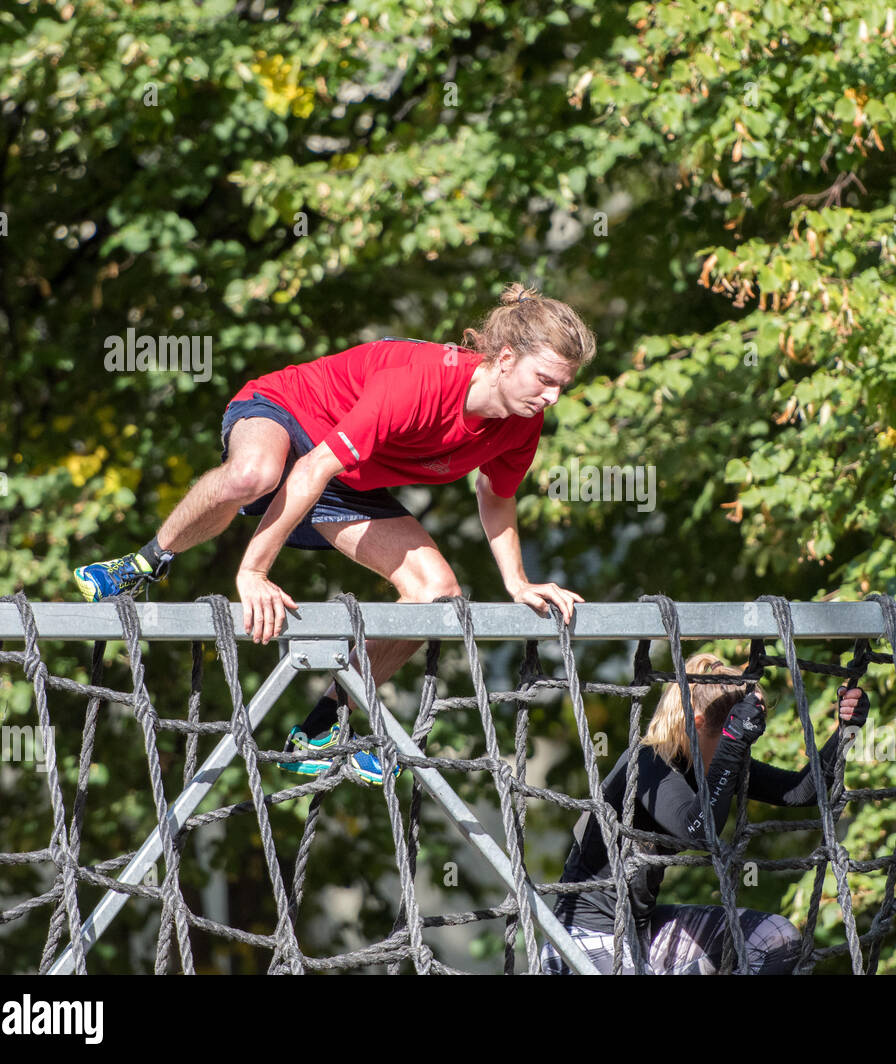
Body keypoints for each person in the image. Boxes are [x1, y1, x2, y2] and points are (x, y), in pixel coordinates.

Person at [73, 283, 596, 783]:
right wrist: (253, 573)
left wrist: (519, 583)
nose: (551, 397)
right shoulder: (419, 384)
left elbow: (495, 494)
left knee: (438, 596)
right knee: (254, 474)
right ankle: (143, 563)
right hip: (290, 414)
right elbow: (308, 469)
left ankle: (321, 728)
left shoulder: (522, 423)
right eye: (544, 379)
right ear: (505, 359)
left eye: (561, 386)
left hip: (345, 476)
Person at [541, 651, 870, 975]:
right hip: (582, 936)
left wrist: (847, 730)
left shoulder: (715, 760)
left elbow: (802, 790)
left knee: (776, 938)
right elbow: (697, 828)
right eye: (727, 742)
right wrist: (731, 743)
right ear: (696, 724)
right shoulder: (646, 762)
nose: (738, 754)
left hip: (639, 931)